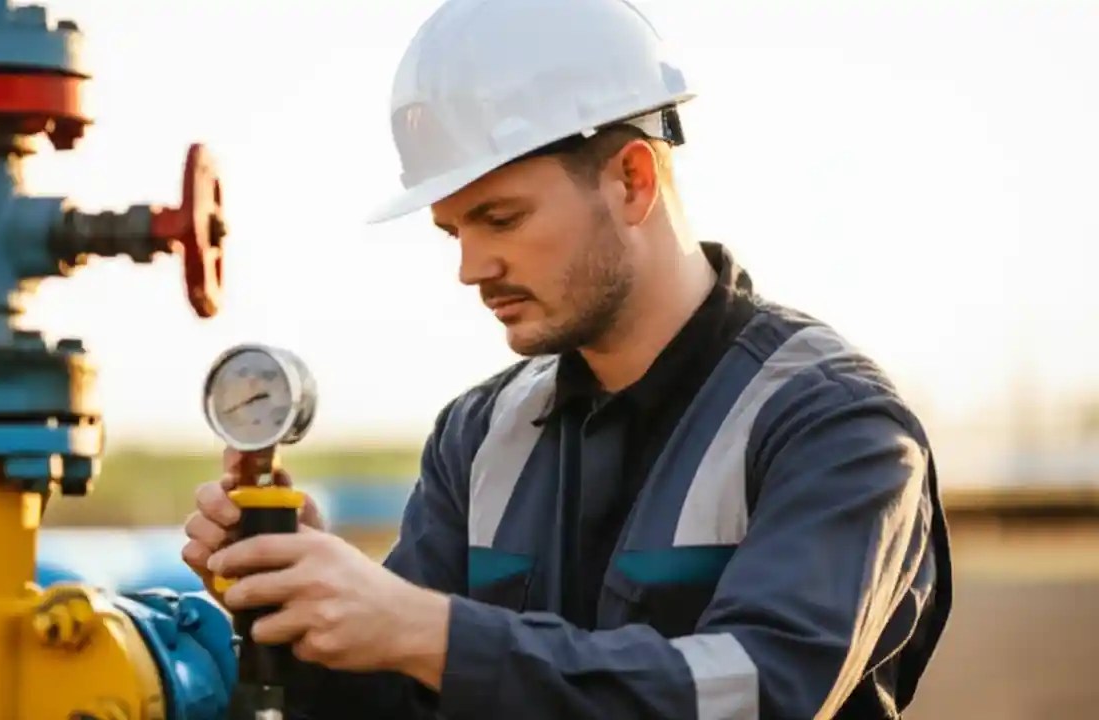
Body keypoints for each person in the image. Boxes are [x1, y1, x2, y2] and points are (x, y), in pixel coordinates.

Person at [182, 0, 953, 717]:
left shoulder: (832, 426)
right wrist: (299, 607)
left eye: (500, 218)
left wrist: (432, 633)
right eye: (454, 232)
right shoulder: (478, 434)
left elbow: (762, 691)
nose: (471, 267)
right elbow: (405, 698)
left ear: (631, 180)